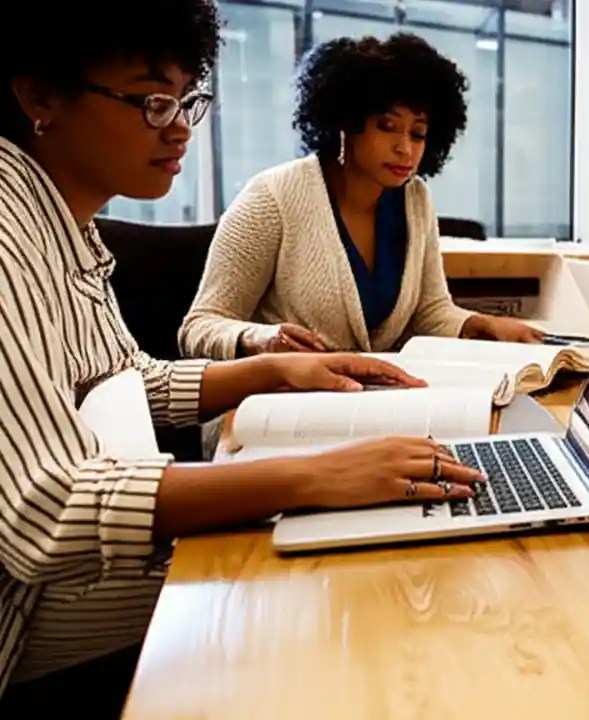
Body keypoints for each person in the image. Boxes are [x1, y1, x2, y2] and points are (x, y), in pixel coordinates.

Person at [0, 3, 483, 715]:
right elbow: (48, 514)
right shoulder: (11, 240)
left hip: (96, 567)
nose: (179, 127)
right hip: (34, 625)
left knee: (391, 572)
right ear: (40, 95)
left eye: (187, 100)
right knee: (365, 613)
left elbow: (127, 378)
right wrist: (314, 476)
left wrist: (279, 371)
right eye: (151, 100)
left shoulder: (64, 227)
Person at [179, 33, 540, 359]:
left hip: (368, 400)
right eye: (387, 127)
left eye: (417, 134)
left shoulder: (414, 199)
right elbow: (199, 327)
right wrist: (260, 338)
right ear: (346, 122)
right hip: (273, 405)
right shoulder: (272, 197)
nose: (405, 149)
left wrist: (480, 325)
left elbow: (430, 311)